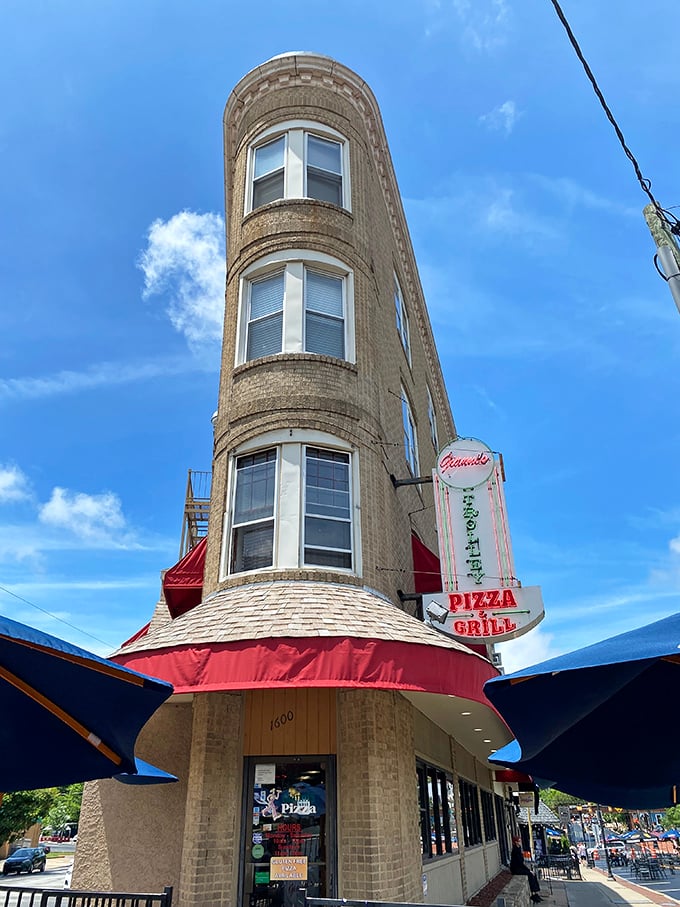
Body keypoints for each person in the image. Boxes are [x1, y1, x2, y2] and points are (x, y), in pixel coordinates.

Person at [510, 836, 542, 903]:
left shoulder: (518, 849)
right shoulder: (515, 851)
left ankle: (536, 893)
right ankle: (533, 894)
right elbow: (519, 863)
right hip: (516, 869)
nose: (520, 842)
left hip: (519, 867)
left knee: (533, 874)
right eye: (519, 841)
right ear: (516, 842)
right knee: (530, 874)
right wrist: (528, 870)